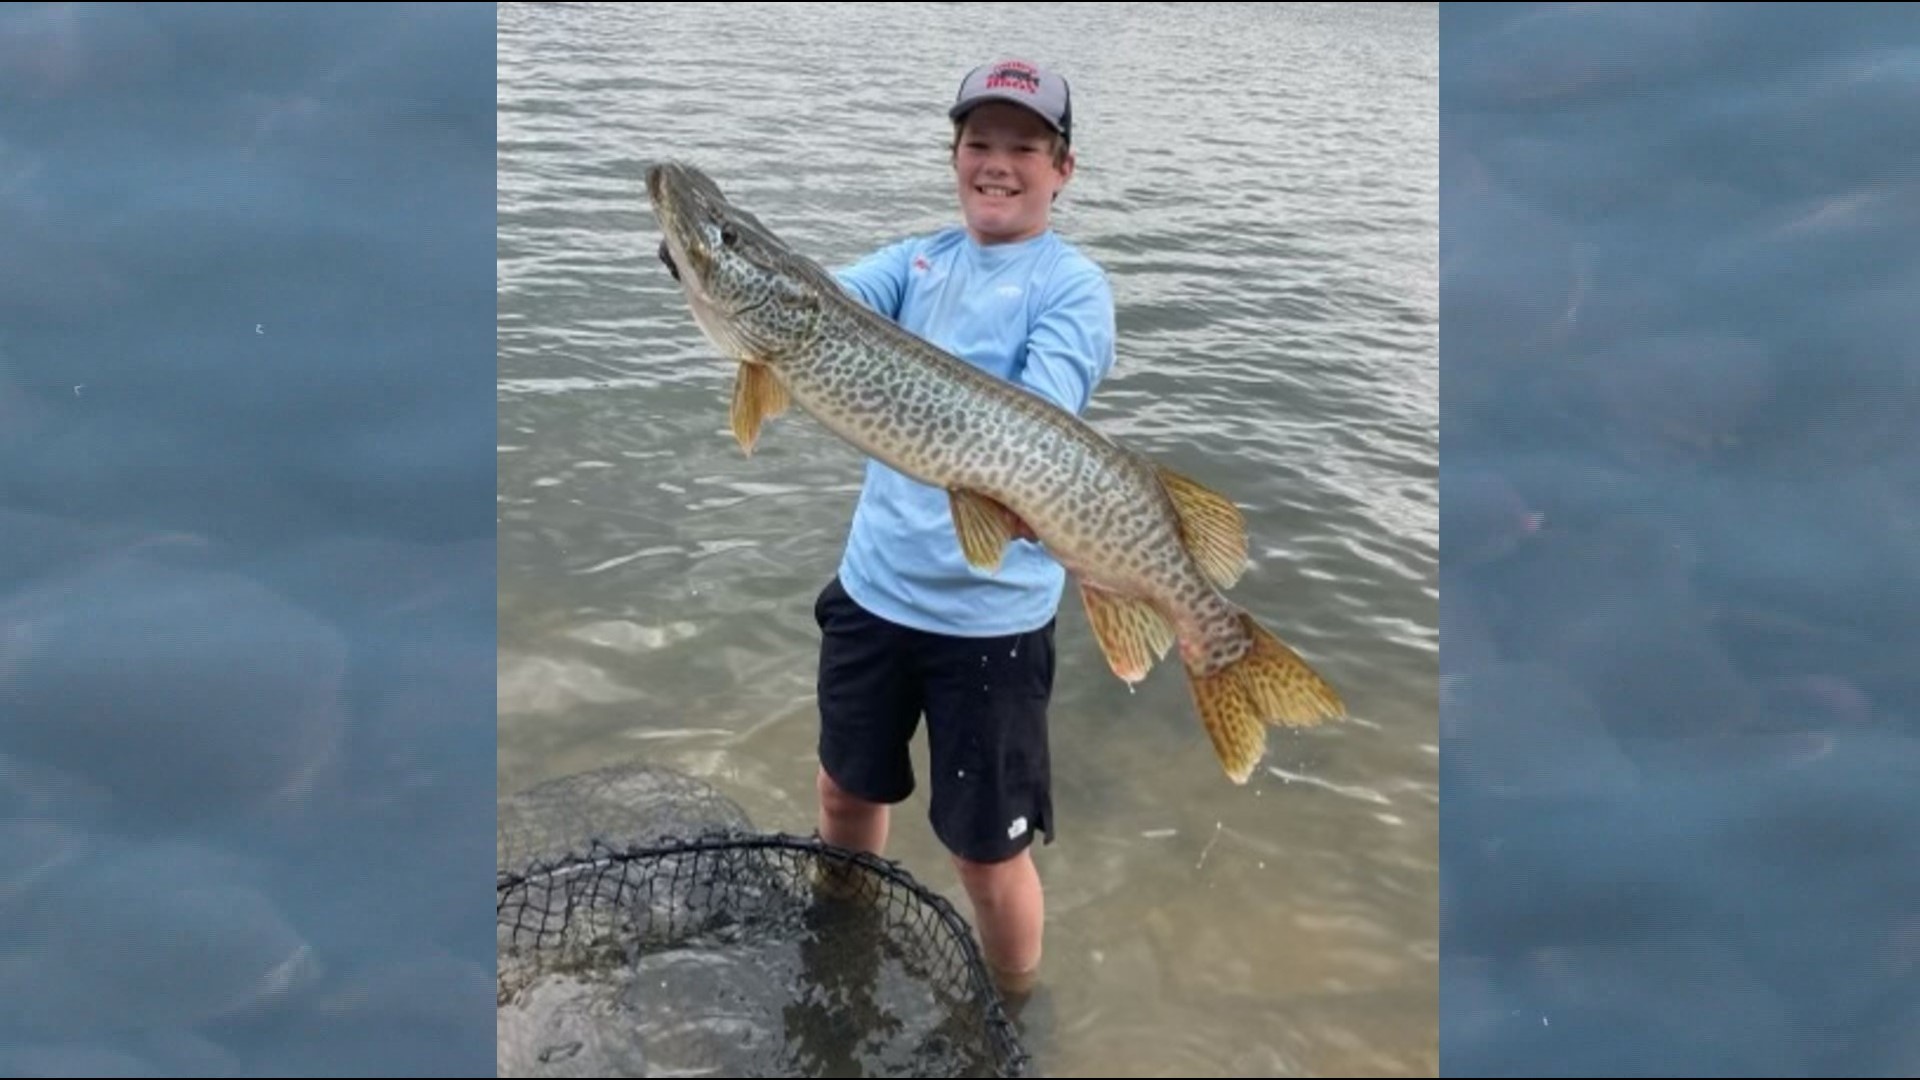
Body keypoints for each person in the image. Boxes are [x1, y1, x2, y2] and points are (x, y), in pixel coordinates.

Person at [812, 58, 1116, 998]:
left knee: (987, 855)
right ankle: (845, 941)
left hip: (989, 628)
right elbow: (819, 302)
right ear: (954, 155)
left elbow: (1043, 408)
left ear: (1062, 168)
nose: (997, 162)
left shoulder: (1071, 286)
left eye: (1023, 146)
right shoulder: (915, 262)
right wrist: (720, 274)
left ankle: (1014, 1008)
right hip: (875, 591)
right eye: (979, 142)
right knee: (845, 791)